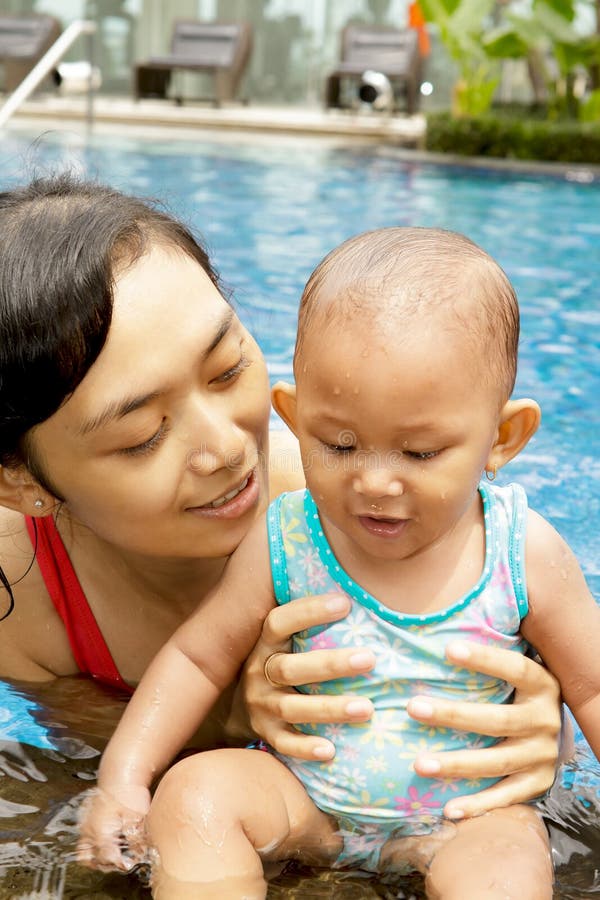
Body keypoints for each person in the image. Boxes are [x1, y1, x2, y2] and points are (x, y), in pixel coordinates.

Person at [0, 176, 561, 861]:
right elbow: (94, 766)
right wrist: (232, 727)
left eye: (228, 369)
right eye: (143, 434)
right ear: (19, 480)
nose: (228, 448)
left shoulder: (361, 505)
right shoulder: (20, 600)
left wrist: (543, 730)